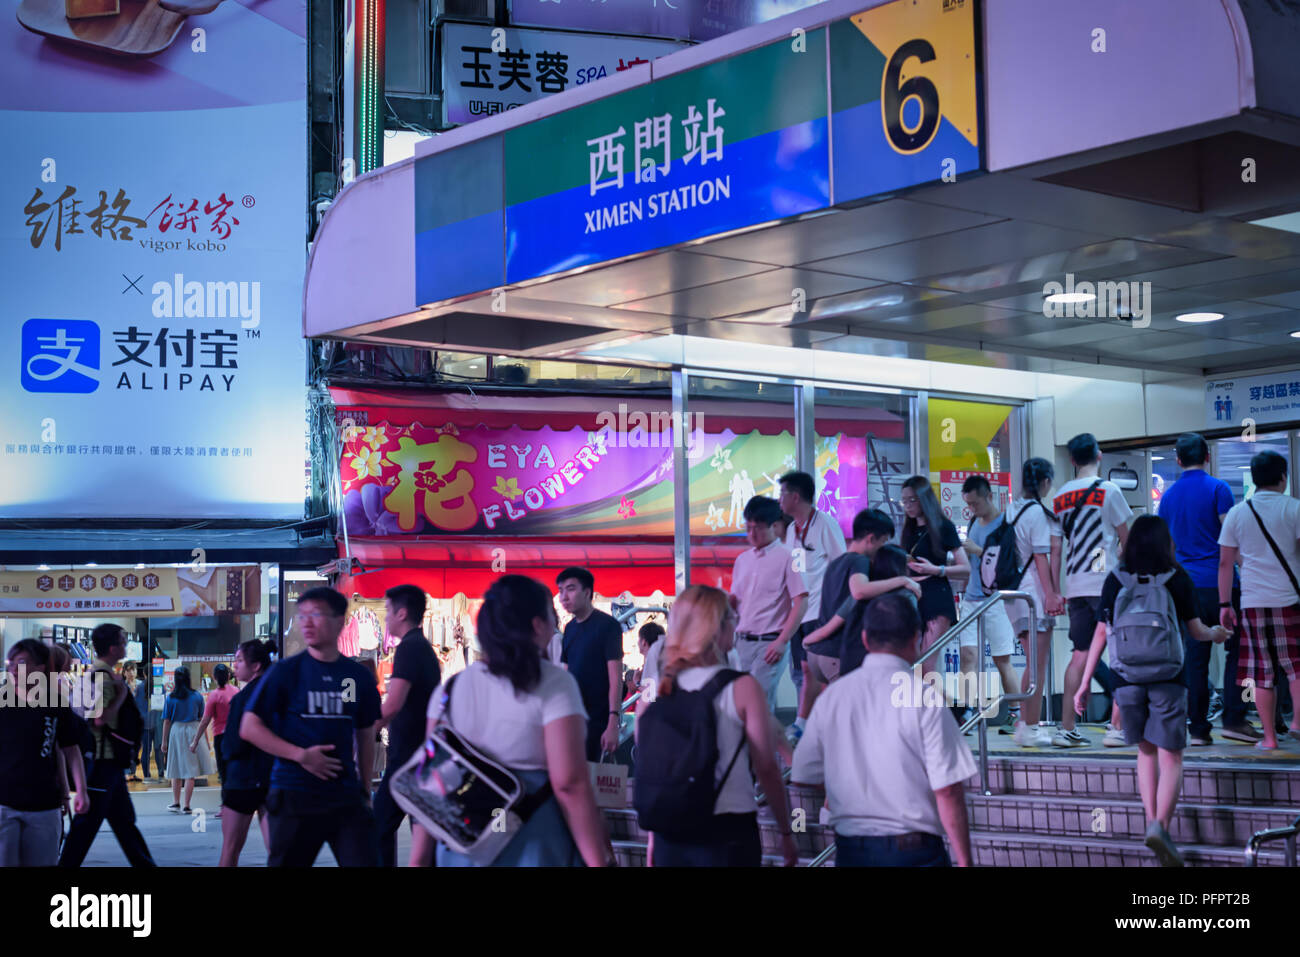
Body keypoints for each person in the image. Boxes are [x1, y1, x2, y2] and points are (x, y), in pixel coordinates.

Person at [411, 575, 615, 867]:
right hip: (533, 842)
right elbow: (569, 783)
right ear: (537, 624)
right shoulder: (554, 684)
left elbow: (432, 776)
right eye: (550, 613)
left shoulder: (450, 689)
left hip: (463, 847)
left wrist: (418, 859)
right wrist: (599, 860)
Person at [1075, 515, 1228, 866]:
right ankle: (1161, 825)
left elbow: (1100, 633)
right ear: (1165, 543)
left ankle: (1150, 820)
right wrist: (1216, 633)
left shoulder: (1115, 578)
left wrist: (1084, 683)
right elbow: (1196, 631)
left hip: (1126, 678)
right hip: (1168, 677)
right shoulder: (1177, 578)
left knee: (1145, 752)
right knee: (1171, 756)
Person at [792, 592, 976, 867]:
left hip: (851, 849)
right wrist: (965, 861)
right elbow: (948, 790)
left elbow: (803, 773)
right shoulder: (924, 696)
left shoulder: (833, 696)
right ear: (916, 638)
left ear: (865, 639)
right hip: (914, 850)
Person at [635, 584, 797, 866]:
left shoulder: (658, 695)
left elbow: (656, 773)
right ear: (717, 628)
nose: (737, 624)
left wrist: (652, 841)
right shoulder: (742, 688)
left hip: (668, 837)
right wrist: (786, 831)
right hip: (727, 834)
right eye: (732, 618)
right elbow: (767, 770)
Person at [241, 586, 383, 867]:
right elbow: (249, 726)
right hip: (294, 793)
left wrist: (364, 789)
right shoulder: (286, 672)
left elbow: (365, 733)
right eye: (302, 615)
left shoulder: (355, 677)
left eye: (315, 614)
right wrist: (300, 755)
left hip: (344, 795)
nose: (306, 622)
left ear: (340, 621)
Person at [1159, 432, 1259, 744]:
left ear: (1177, 460)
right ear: (1208, 456)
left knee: (1195, 657)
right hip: (1222, 586)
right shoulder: (1219, 489)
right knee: (1238, 653)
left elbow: (1168, 547)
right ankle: (1234, 719)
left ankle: (1198, 729)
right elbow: (1231, 539)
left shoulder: (1168, 497)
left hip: (1186, 587)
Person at [1052, 433, 1134, 748]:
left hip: (1075, 585)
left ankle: (1066, 729)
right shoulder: (1109, 491)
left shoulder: (1060, 496)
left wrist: (1057, 590)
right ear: (1098, 456)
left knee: (1079, 655)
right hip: (1106, 583)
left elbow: (1056, 548)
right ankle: (1116, 729)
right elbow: (1126, 540)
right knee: (1118, 654)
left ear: (1072, 460)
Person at [1218, 449, 1300, 750]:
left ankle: (1268, 739)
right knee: (1296, 666)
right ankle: (1297, 724)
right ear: (1283, 477)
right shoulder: (1294, 509)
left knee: (1262, 672)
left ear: (1254, 479)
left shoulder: (1239, 513)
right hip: (1289, 599)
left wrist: (1225, 604)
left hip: (1251, 602)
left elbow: (1225, 563)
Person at [58, 623, 156, 868]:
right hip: (103, 761)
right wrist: (122, 697)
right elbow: (98, 719)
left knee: (124, 822)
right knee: (86, 826)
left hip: (103, 761)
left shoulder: (92, 675)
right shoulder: (106, 680)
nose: (126, 646)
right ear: (113, 647)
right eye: (123, 642)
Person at [800, 508, 919, 683]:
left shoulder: (836, 563)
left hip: (818, 654)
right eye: (883, 541)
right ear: (871, 539)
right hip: (837, 653)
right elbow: (859, 591)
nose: (882, 549)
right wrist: (903, 580)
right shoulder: (859, 561)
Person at [0, 640, 90, 866]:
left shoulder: (55, 703)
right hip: (3, 803)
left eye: (21, 662)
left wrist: (79, 791)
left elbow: (67, 749)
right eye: (11, 663)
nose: (13, 669)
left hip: (43, 803)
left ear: (41, 668)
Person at [373, 583, 441, 868]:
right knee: (420, 828)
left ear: (402, 613)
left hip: (409, 758)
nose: (385, 617)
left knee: (379, 825)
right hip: (417, 755)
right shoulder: (421, 647)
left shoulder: (410, 649)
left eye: (388, 611)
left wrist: (364, 729)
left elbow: (392, 704)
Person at [778, 471, 847, 745]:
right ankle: (807, 726)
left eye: (782, 493)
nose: (779, 499)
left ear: (796, 496)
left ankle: (817, 726)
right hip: (799, 614)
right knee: (802, 673)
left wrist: (837, 613)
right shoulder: (791, 530)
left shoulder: (826, 525)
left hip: (822, 613)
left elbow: (842, 567)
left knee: (818, 673)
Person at [729, 495, 809, 714]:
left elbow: (801, 601)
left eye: (758, 528)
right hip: (741, 641)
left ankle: (766, 749)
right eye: (748, 527)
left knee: (760, 705)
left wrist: (783, 641)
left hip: (770, 643)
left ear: (775, 526)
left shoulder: (789, 558)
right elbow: (735, 601)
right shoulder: (742, 560)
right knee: (739, 704)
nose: (752, 533)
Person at [1008, 458, 1066, 748]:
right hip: (1034, 594)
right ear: (1044, 482)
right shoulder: (1038, 515)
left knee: (1032, 662)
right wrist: (1052, 594)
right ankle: (1028, 726)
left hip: (1014, 594)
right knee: (1037, 664)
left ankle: (1026, 724)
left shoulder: (1011, 509)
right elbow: (1042, 559)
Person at [958, 475, 1023, 715]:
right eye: (968, 504)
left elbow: (1008, 562)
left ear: (989, 496)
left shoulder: (1005, 525)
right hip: (972, 597)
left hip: (996, 600)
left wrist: (978, 550)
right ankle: (967, 709)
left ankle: (1017, 713)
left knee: (1002, 659)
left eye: (975, 503)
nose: (972, 508)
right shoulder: (975, 522)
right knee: (968, 654)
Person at [556, 567, 625, 761]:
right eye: (561, 590)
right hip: (573, 718)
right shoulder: (569, 629)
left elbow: (615, 678)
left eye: (570, 589)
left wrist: (613, 722)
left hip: (599, 722)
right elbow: (566, 674)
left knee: (596, 780)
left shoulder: (608, 626)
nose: (563, 597)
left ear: (587, 592)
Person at [218, 639, 275, 867]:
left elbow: (232, 745)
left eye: (240, 660)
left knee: (230, 849)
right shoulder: (277, 694)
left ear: (257, 665)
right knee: (277, 850)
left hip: (242, 780)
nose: (236, 665)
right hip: (271, 779)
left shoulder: (242, 699)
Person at [900, 475, 970, 656]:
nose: (908, 506)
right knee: (915, 663)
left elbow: (965, 568)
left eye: (912, 500)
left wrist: (936, 570)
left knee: (925, 663)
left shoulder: (943, 527)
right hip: (913, 596)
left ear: (924, 498)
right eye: (904, 501)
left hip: (937, 596)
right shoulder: (909, 529)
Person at [164, 665, 216, 814]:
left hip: (176, 730)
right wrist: (205, 738)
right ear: (188, 679)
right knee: (190, 770)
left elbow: (167, 721)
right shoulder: (197, 696)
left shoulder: (171, 698)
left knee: (175, 768)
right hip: (193, 730)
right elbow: (202, 719)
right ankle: (187, 805)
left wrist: (164, 742)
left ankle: (176, 803)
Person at [194, 664, 238, 794]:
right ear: (229, 676)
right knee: (233, 769)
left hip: (221, 737)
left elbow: (205, 721)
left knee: (223, 772)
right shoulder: (237, 691)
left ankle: (226, 804)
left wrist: (195, 740)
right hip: (235, 736)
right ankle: (234, 803)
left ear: (214, 677)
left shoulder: (214, 695)